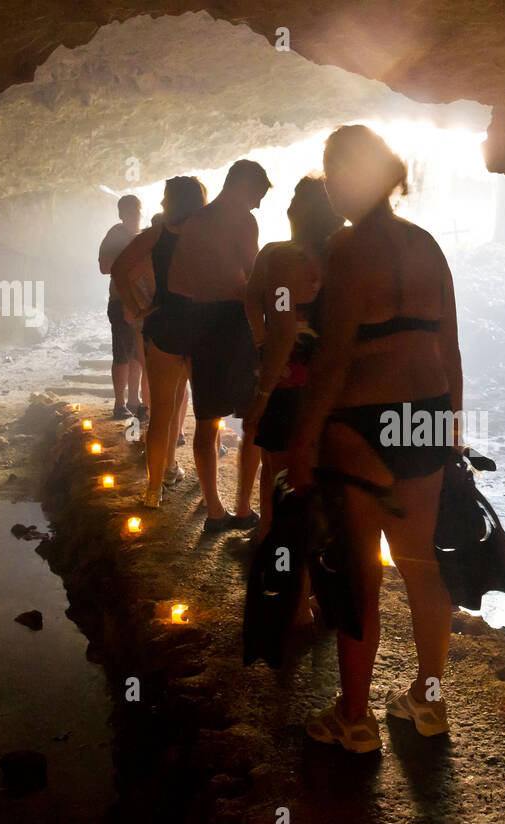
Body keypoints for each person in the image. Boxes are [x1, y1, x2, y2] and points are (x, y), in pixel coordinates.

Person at [288, 126, 464, 754]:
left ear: (347, 179)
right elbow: (450, 348)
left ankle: (355, 717)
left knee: (358, 572)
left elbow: (334, 360)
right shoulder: (428, 246)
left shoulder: (345, 249)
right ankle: (428, 701)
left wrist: (306, 441)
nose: (330, 186)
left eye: (333, 173)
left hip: (362, 422)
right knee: (421, 564)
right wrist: (452, 432)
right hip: (427, 415)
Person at [243, 176, 343, 628]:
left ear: (295, 212)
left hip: (290, 385)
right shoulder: (346, 254)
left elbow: (278, 324)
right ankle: (326, 599)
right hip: (338, 387)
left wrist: (263, 390)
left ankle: (294, 599)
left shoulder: (281, 257)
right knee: (327, 495)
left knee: (283, 493)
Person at [169, 159, 269, 532]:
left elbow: (177, 282)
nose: (258, 204)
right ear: (243, 186)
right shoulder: (243, 221)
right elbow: (254, 278)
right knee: (254, 416)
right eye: (257, 195)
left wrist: (206, 293)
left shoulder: (194, 222)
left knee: (208, 418)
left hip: (200, 323)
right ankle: (244, 509)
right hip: (235, 323)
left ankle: (214, 510)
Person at [110, 177, 207, 506]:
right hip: (201, 324)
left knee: (162, 412)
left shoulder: (158, 233)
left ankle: (153, 492)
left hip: (164, 323)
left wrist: (137, 307)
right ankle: (209, 495)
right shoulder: (207, 233)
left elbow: (120, 267)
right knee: (204, 411)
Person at [98, 195, 147, 419]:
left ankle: (134, 401)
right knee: (122, 354)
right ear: (120, 214)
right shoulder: (115, 234)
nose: (134, 214)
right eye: (129, 210)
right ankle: (119, 405)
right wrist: (129, 255)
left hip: (143, 302)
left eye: (136, 209)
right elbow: (104, 266)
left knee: (138, 355)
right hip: (120, 302)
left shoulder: (146, 234)